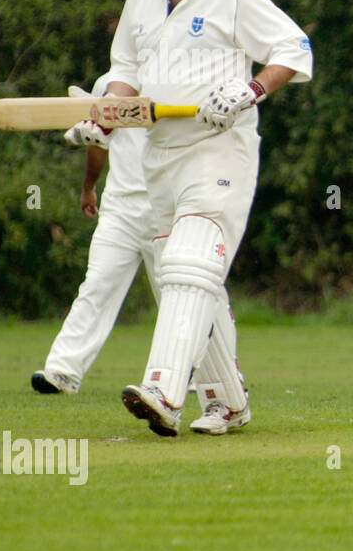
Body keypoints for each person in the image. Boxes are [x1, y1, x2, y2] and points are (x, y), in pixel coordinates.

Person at [66, 0, 312, 436]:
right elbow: (127, 71)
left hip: (218, 147)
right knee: (192, 277)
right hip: (158, 156)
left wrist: (250, 90)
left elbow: (295, 47)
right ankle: (227, 400)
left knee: (190, 257)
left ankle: (164, 391)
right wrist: (104, 120)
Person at [37, 78, 243, 411]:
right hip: (120, 206)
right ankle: (62, 371)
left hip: (168, 204)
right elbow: (97, 141)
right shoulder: (111, 81)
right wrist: (89, 186)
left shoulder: (185, 76)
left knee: (186, 293)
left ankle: (206, 377)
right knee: (98, 285)